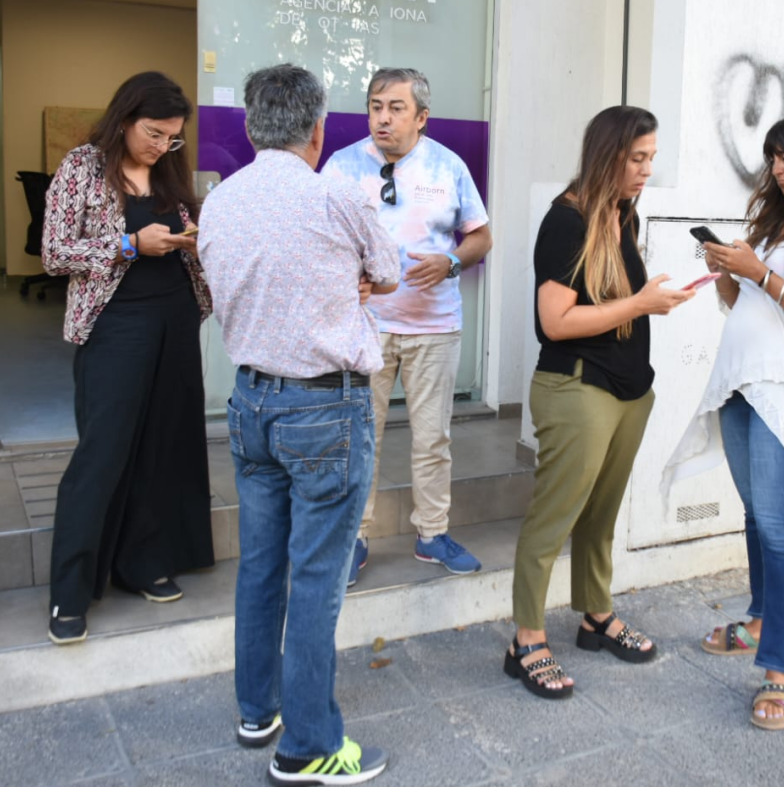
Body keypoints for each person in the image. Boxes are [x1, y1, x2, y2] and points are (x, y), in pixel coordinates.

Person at [199, 63, 400, 785]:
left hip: (250, 402)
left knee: (260, 564)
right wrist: (350, 280)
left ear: (252, 127)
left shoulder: (219, 201)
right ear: (318, 130)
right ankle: (309, 745)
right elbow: (388, 271)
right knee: (317, 577)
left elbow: (215, 286)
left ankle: (258, 710)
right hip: (324, 408)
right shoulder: (335, 195)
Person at [664, 111, 784, 730]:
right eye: (772, 158)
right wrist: (730, 276)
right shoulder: (776, 224)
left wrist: (760, 273)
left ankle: (783, 669)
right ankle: (758, 619)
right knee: (756, 515)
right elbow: (743, 305)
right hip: (741, 386)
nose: (776, 169)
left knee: (781, 527)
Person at [505, 106, 694, 700]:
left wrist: (650, 298)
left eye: (651, 158)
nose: (646, 170)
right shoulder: (566, 220)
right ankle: (526, 639)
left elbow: (615, 296)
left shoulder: (621, 211)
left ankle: (596, 615)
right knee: (555, 516)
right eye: (636, 158)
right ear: (607, 155)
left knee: (601, 515)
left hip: (628, 390)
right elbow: (555, 322)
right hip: (577, 388)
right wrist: (640, 304)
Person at [41, 71, 214, 646]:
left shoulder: (167, 171)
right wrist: (129, 245)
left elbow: (187, 241)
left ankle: (143, 562)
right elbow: (54, 252)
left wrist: (193, 238)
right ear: (124, 118)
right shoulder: (83, 166)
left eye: (172, 136)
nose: (163, 145)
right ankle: (70, 591)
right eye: (153, 133)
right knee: (103, 452)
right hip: (115, 325)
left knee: (163, 445)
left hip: (175, 318)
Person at [322, 68, 493, 586]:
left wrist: (452, 262)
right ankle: (354, 537)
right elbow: (319, 239)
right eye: (376, 106)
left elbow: (481, 238)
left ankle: (432, 534)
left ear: (421, 117)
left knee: (433, 439)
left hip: (434, 326)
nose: (383, 118)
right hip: (365, 327)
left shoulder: (448, 166)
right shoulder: (341, 166)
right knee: (359, 440)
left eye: (396, 108)